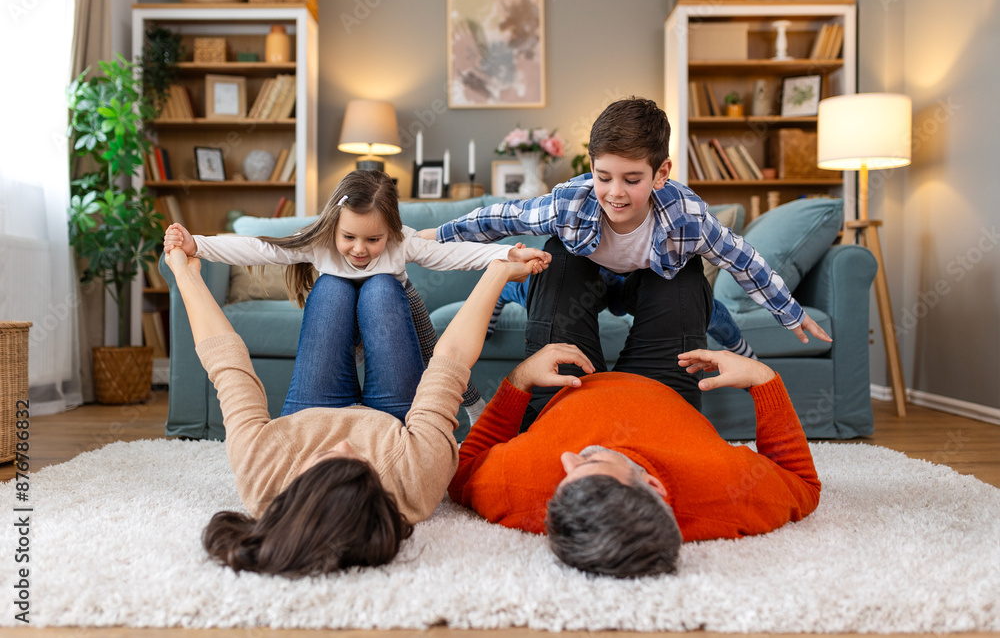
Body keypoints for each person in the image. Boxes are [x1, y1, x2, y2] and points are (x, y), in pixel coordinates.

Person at [420, 97, 828, 426]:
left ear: (661, 173)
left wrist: (790, 312)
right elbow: (501, 218)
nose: (615, 192)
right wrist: (438, 235)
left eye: (632, 179)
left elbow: (742, 259)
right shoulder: (571, 202)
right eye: (603, 176)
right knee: (549, 261)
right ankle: (517, 296)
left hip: (649, 282)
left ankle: (723, 353)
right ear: (592, 168)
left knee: (697, 289)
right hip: (586, 279)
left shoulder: (687, 215)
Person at [164, 245, 544, 577]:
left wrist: (186, 273)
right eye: (362, 466)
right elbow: (450, 363)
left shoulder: (263, 468)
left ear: (294, 486)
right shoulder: (414, 475)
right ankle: (367, 314)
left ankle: (353, 317)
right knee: (380, 288)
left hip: (310, 411)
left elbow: (228, 366)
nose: (346, 445)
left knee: (332, 287)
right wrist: (499, 269)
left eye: (329, 456)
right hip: (394, 424)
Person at [164, 169, 550, 421]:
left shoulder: (402, 244)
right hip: (336, 326)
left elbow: (452, 255)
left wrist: (507, 254)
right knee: (332, 286)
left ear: (392, 233)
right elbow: (260, 249)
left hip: (392, 318)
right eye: (348, 237)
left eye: (373, 239)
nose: (359, 250)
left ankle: (472, 404)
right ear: (334, 226)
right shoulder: (319, 244)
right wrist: (196, 244)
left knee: (390, 297)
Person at [447, 344, 821, 578]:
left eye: (564, 480)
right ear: (653, 487)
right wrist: (764, 380)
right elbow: (802, 482)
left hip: (570, 382)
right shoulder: (729, 496)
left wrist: (521, 379)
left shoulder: (517, 488)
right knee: (678, 275)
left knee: (563, 263)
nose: (567, 459)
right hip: (671, 382)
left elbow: (462, 469)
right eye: (591, 463)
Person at [486, 277, 757, 359]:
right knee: (530, 289)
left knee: (705, 308)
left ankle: (741, 351)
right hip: (590, 281)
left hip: (635, 282)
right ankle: (495, 305)